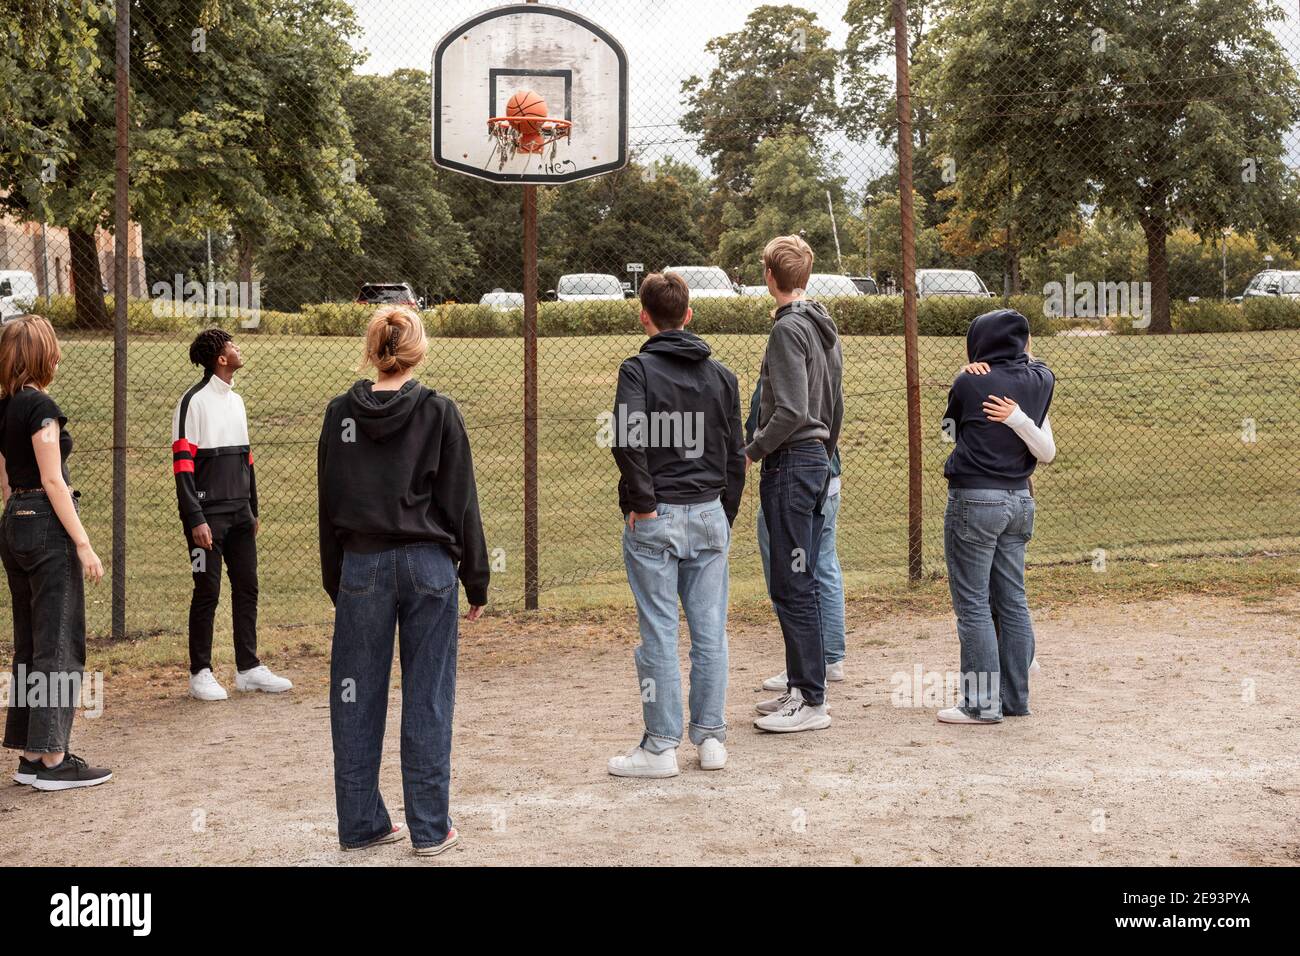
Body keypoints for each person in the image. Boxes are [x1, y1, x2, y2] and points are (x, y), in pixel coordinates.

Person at [318, 305, 488, 856]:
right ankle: (431, 828)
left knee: (354, 697)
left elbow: (331, 503)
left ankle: (362, 821)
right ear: (418, 349)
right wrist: (476, 578)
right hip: (429, 567)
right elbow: (461, 501)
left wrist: (336, 579)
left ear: (373, 349)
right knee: (428, 696)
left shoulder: (339, 414)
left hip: (362, 566)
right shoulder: (439, 411)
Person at [606, 272, 745, 778]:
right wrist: (723, 511)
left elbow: (627, 438)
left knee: (660, 632)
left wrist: (643, 503)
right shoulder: (722, 375)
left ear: (645, 315)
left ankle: (661, 745)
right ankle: (710, 738)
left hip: (658, 515)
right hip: (707, 511)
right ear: (688, 314)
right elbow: (736, 452)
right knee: (710, 632)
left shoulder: (638, 370)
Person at [0, 314, 110, 790]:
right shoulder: (41, 407)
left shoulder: (3, 406)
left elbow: (5, 480)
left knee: (30, 642)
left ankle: (29, 752)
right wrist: (83, 543)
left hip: (13, 524)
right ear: (42, 354)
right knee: (60, 642)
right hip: (45, 524)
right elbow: (52, 478)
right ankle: (53, 759)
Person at [746, 236, 844, 734]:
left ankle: (809, 698)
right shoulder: (824, 328)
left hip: (790, 463)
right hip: (815, 462)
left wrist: (754, 448)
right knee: (799, 579)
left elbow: (791, 410)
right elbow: (835, 410)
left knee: (792, 584)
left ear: (770, 277)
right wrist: (823, 459)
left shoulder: (788, 330)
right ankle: (802, 688)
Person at [939, 310, 1055, 724]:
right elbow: (1032, 365)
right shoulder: (1043, 378)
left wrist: (964, 375)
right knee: (1012, 599)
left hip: (975, 498)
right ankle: (1015, 699)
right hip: (1020, 500)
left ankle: (980, 703)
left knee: (972, 604)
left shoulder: (970, 381)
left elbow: (948, 431)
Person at [173, 329, 291, 701]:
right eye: (232, 345)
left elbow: (247, 459)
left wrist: (252, 508)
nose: (238, 349)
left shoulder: (236, 400)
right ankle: (200, 673)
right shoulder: (192, 402)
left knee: (247, 587)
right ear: (220, 359)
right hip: (207, 518)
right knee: (206, 591)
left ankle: (249, 669)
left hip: (240, 514)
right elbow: (182, 466)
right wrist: (195, 519)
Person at [747, 378, 847, 694]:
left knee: (790, 572)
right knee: (824, 563)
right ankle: (830, 658)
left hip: (793, 478)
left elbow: (758, 426)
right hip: (826, 476)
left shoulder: (781, 371)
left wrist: (752, 449)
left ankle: (805, 663)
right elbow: (837, 411)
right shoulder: (821, 364)